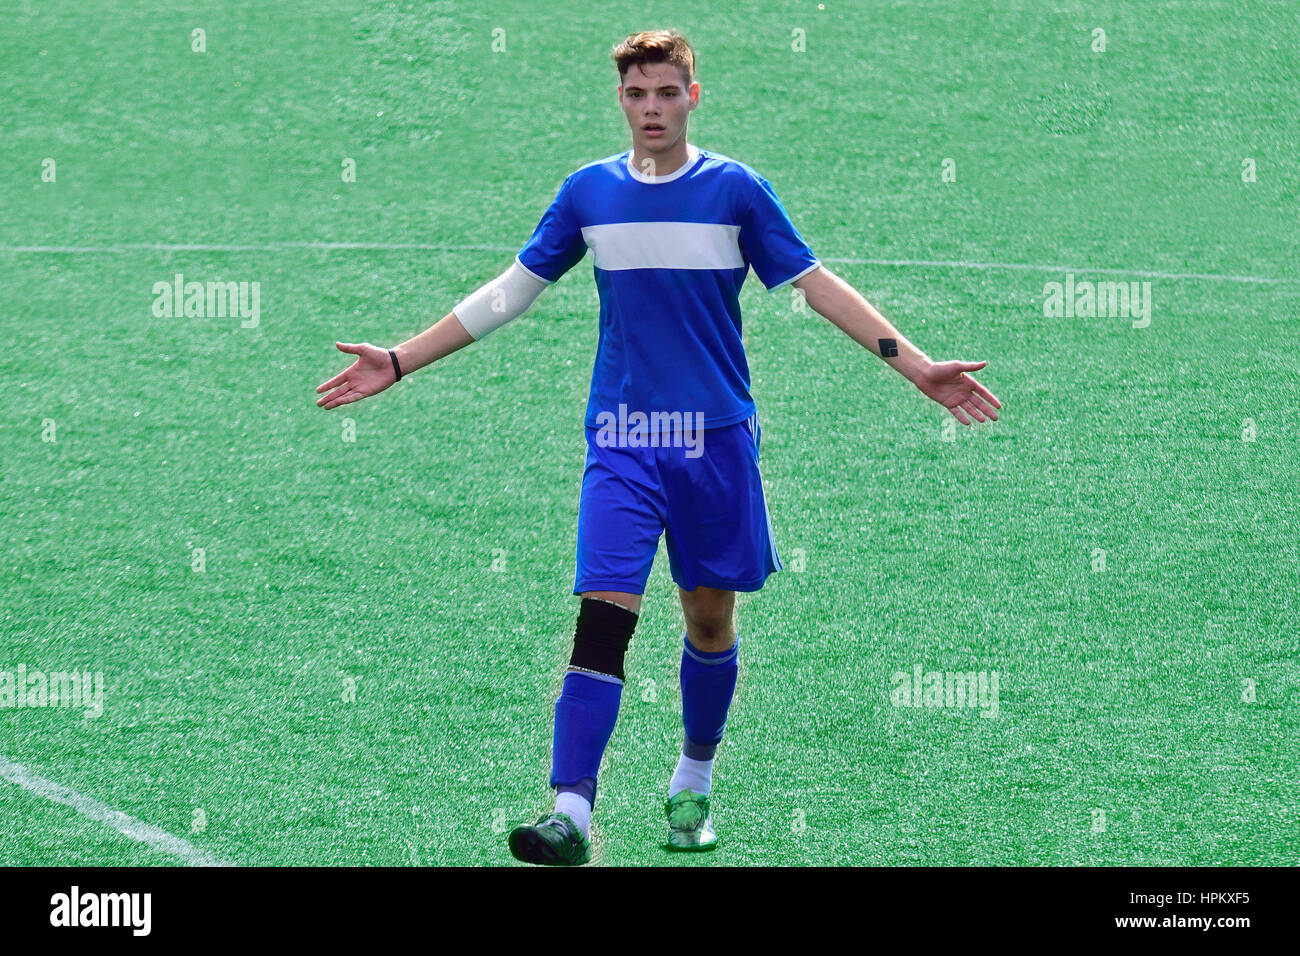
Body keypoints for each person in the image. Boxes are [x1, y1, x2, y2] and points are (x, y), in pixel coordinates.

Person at [316, 28, 1002, 866]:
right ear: (621, 100)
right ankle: (570, 812)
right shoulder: (589, 193)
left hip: (715, 445)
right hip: (625, 444)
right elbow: (512, 292)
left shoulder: (736, 190)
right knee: (603, 618)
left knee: (709, 620)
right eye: (638, 94)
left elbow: (815, 285)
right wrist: (399, 360)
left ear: (692, 98)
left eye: (667, 93)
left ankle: (694, 780)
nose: (652, 108)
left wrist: (917, 366)